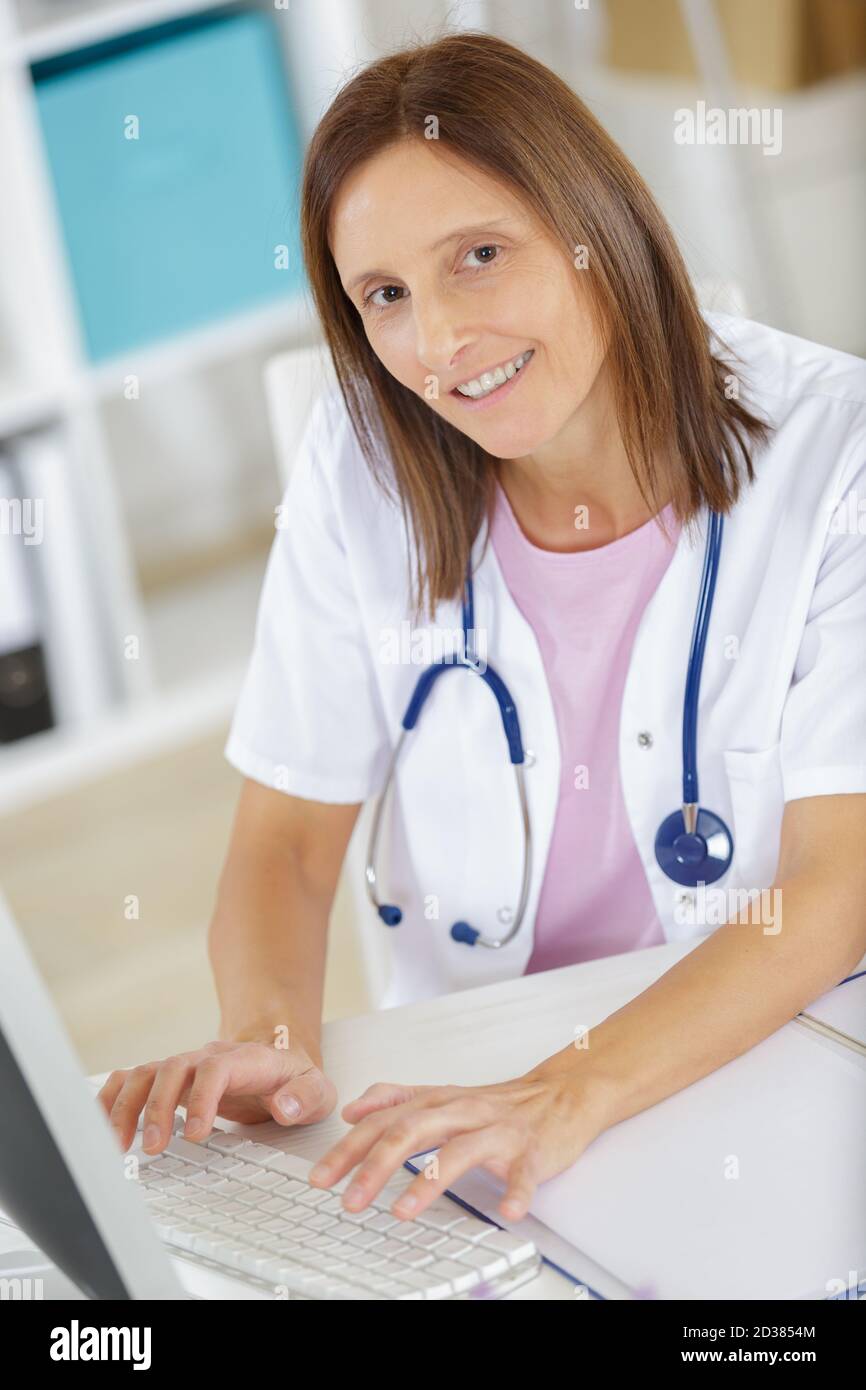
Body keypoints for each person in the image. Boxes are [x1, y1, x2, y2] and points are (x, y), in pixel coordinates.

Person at [99, 31, 866, 1225]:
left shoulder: (838, 452)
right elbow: (288, 844)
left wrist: (558, 1095)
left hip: (755, 1052)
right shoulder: (359, 465)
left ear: (594, 228)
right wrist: (268, 1040)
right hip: (462, 1096)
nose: (440, 342)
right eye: (387, 297)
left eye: (480, 257)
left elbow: (836, 884)